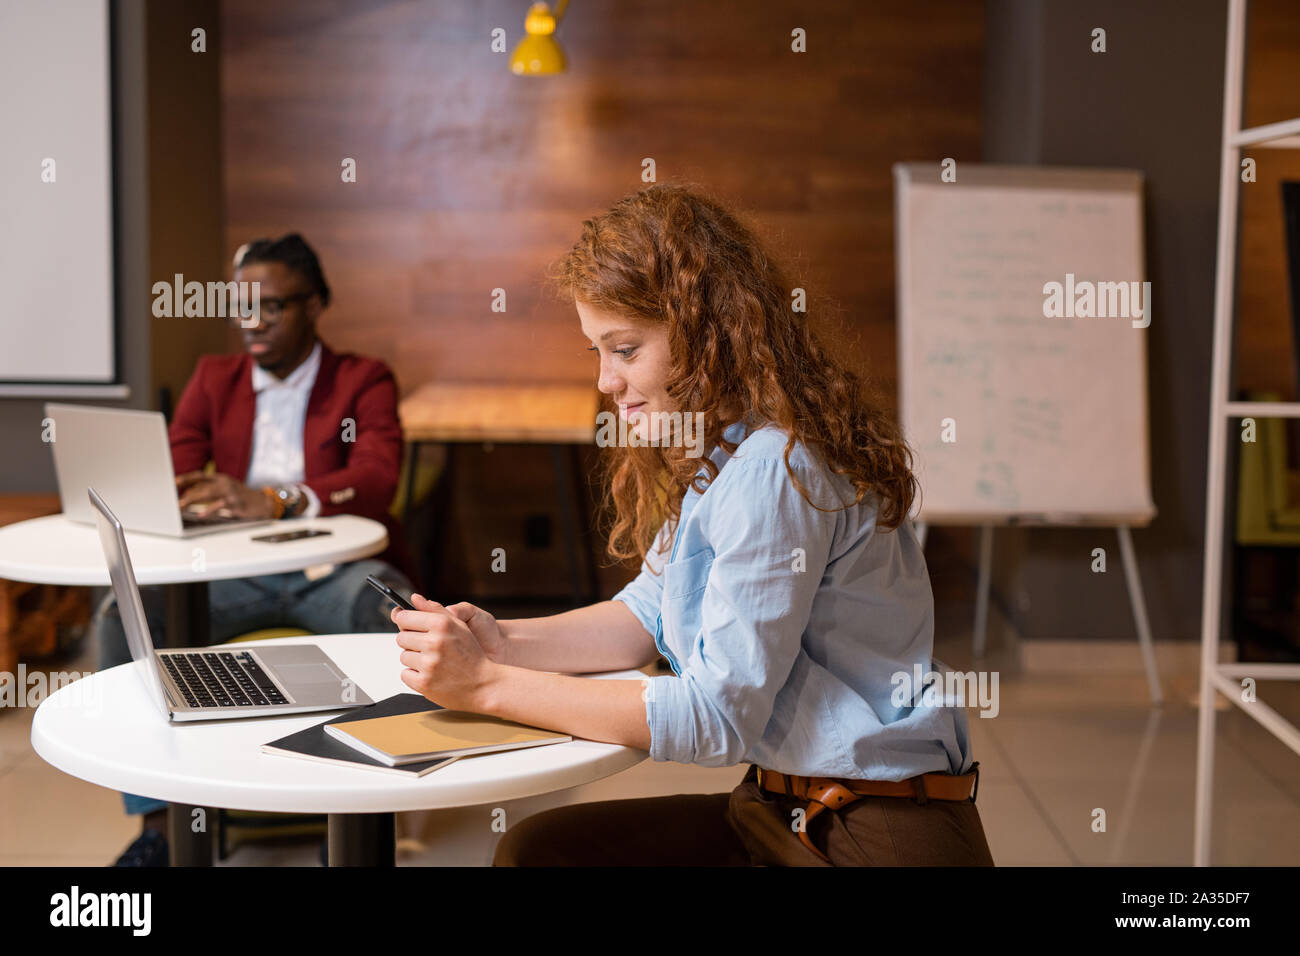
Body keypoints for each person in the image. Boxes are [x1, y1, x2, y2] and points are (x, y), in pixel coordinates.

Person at [388, 184, 995, 866]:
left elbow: (716, 719)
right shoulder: (725, 451)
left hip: (870, 827)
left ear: (708, 334)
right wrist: (503, 643)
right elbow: (644, 614)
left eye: (624, 349)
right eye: (597, 351)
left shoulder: (774, 466)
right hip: (780, 803)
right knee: (539, 850)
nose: (605, 382)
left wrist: (486, 687)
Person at [96, 233, 413, 866]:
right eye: (241, 305)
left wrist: (272, 500)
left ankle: (365, 819)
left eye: (272, 306)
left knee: (393, 606)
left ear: (315, 304)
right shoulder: (216, 379)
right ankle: (160, 825)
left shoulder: (361, 378)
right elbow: (177, 465)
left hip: (330, 568)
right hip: (232, 572)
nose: (252, 322)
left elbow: (377, 479)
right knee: (122, 616)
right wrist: (181, 494)